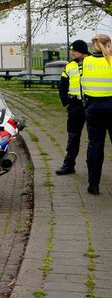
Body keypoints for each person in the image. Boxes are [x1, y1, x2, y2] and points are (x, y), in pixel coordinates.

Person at [80, 34, 112, 195]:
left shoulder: (87, 62)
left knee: (95, 144)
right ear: (109, 44)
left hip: (93, 108)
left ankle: (93, 184)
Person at [56, 40, 89, 176]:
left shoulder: (92, 63)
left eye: (74, 50)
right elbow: (62, 85)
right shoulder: (69, 66)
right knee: (73, 136)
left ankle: (92, 165)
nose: (72, 53)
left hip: (91, 104)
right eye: (71, 51)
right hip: (75, 105)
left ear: (82, 51)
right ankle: (69, 165)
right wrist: (66, 102)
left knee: (94, 138)